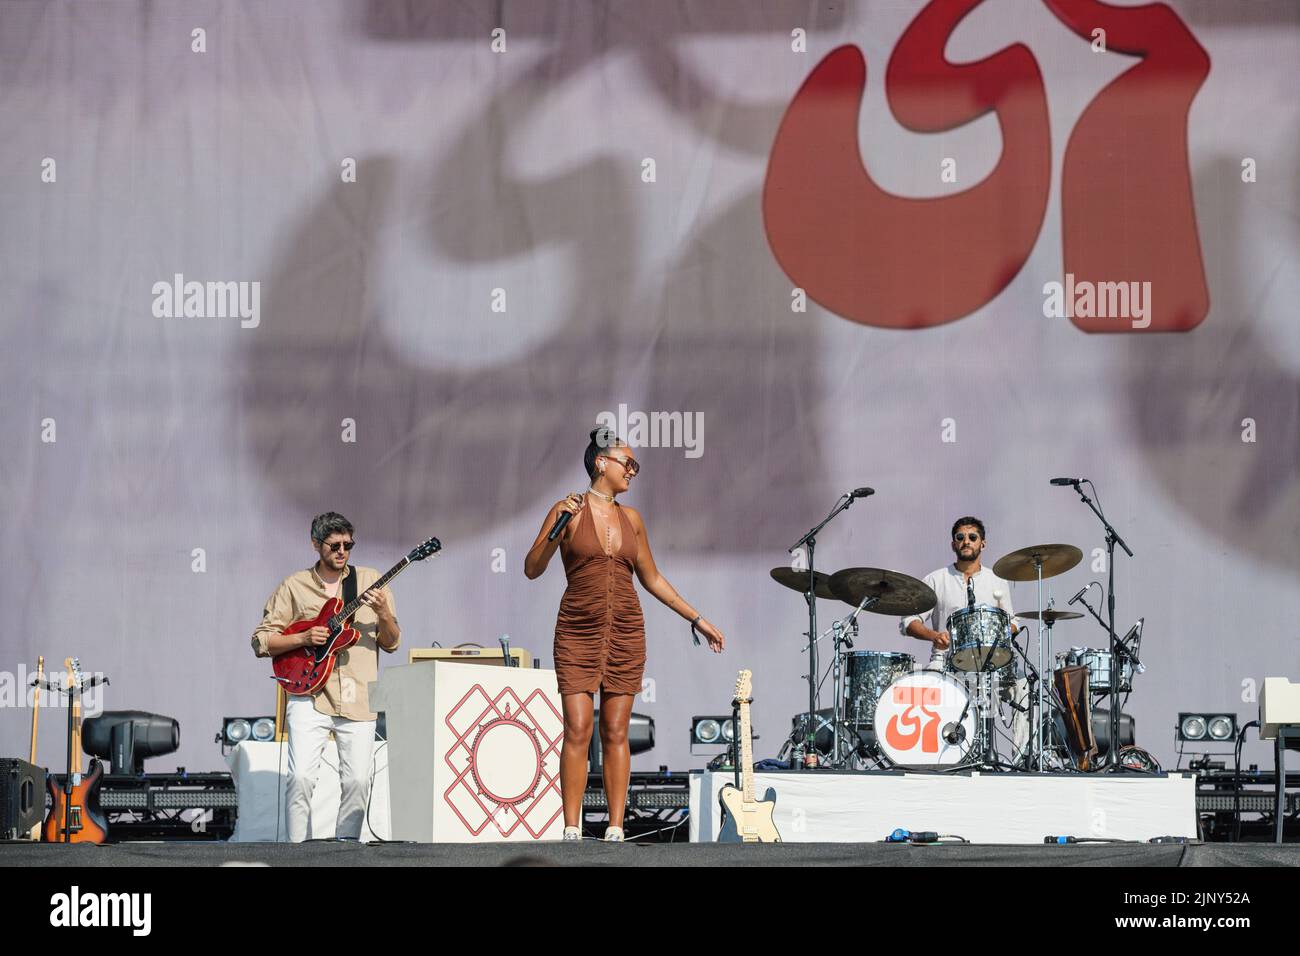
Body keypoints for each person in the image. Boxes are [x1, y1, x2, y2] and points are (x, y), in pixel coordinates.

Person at [525, 427, 724, 842]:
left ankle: (616, 826)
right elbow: (532, 567)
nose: (632, 470)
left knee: (616, 729)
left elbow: (652, 578)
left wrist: (697, 618)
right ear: (602, 462)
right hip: (578, 627)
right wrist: (558, 523)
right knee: (577, 727)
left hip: (625, 629)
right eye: (627, 463)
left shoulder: (632, 518)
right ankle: (571, 826)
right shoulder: (568, 510)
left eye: (635, 465)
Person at [251, 512, 400, 842]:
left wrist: (383, 613)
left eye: (349, 545)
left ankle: (344, 851)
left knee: (359, 782)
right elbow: (261, 641)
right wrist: (303, 639)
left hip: (357, 696)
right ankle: (296, 853)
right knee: (301, 778)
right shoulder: (295, 586)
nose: (342, 552)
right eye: (334, 545)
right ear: (316, 545)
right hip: (309, 695)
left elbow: (391, 642)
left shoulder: (371, 580)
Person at [899, 516, 1018, 668]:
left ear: (983, 544)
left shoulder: (997, 580)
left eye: (972, 537)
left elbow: (1012, 622)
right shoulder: (936, 579)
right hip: (943, 662)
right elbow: (908, 621)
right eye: (960, 537)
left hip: (989, 663)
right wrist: (935, 636)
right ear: (953, 545)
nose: (966, 541)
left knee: (1020, 684)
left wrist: (999, 635)